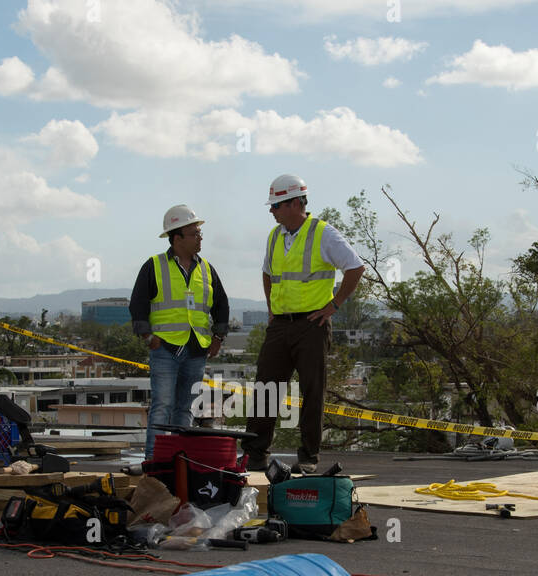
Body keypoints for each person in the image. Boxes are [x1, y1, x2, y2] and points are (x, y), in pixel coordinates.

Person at [244, 175, 364, 473]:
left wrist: (333, 306)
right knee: (266, 388)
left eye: (277, 205)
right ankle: (255, 454)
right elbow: (268, 273)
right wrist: (271, 308)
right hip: (280, 326)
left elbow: (355, 267)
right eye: (272, 206)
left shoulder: (324, 234)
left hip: (312, 325)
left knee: (312, 391)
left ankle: (308, 457)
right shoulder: (275, 235)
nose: (272, 211)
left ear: (296, 202)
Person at [130, 204, 230, 459]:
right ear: (177, 238)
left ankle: (179, 459)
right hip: (164, 348)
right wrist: (148, 337)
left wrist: (218, 337)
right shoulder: (154, 266)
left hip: (196, 349)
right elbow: (137, 304)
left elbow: (221, 304)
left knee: (185, 408)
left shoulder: (206, 269)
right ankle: (154, 460)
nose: (200, 238)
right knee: (162, 406)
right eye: (194, 233)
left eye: (199, 233)